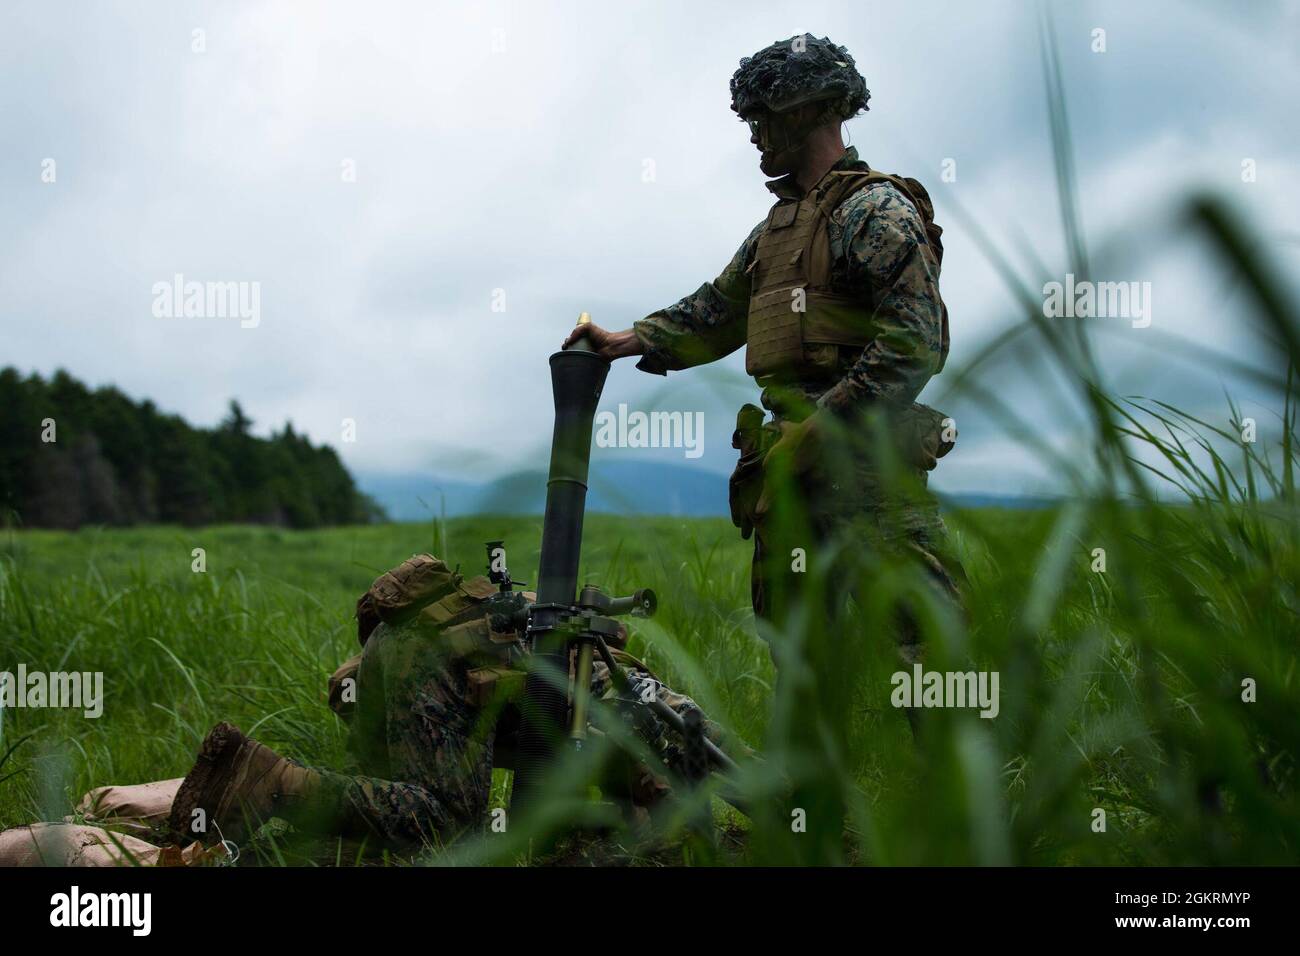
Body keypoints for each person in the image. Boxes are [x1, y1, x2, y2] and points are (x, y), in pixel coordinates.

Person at [561, 34, 965, 672]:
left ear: (805, 111)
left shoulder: (875, 211)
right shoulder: (777, 231)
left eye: (762, 119)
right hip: (788, 484)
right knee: (801, 672)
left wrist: (824, 424)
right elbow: (717, 310)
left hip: (870, 479)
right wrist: (626, 341)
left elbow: (914, 344)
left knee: (932, 664)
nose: (753, 136)